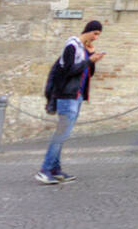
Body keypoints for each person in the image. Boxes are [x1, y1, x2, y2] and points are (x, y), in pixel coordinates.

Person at [36, 21, 103, 184]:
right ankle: (44, 170)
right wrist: (89, 60)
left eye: (98, 35)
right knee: (60, 135)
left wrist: (91, 58)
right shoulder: (72, 46)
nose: (95, 37)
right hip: (66, 96)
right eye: (95, 33)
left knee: (62, 135)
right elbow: (68, 70)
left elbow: (88, 74)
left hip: (77, 96)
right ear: (87, 31)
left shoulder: (82, 49)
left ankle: (55, 169)